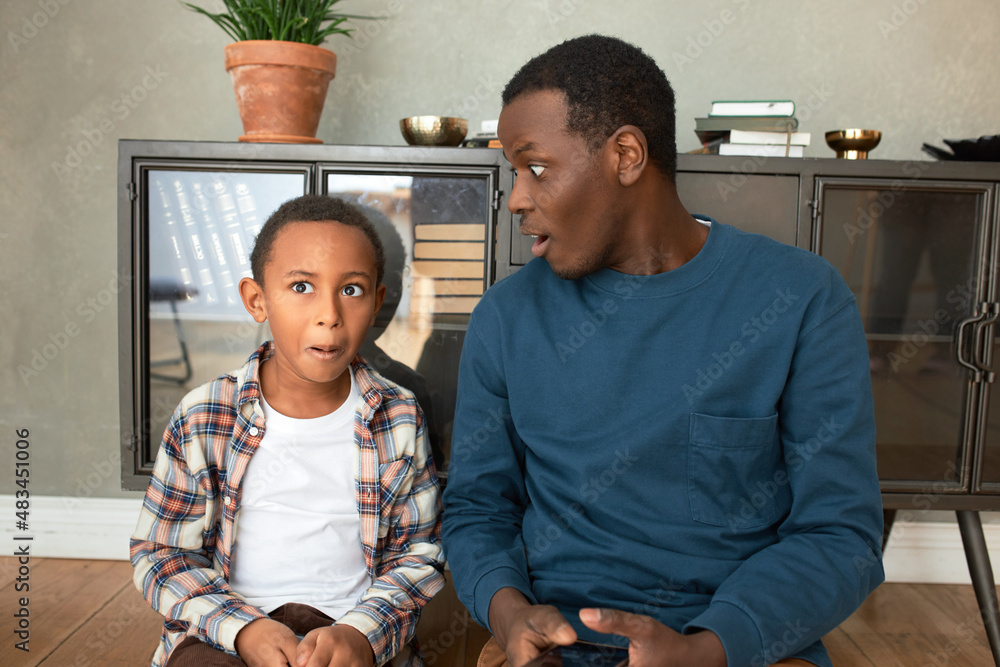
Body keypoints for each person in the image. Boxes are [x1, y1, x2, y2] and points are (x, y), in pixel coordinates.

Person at [441, 35, 883, 667]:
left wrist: (707, 648)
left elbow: (841, 534)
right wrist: (510, 612)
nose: (516, 197)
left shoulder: (802, 298)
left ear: (625, 155)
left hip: (735, 650)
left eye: (535, 167)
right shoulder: (505, 318)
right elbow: (478, 509)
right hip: (554, 646)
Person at [131, 195, 445, 667]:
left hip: (347, 631)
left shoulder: (398, 415)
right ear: (257, 300)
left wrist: (361, 635)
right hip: (228, 631)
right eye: (302, 287)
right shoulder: (203, 415)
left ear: (377, 302)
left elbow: (418, 554)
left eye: (352, 290)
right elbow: (161, 554)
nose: (329, 314)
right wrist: (242, 629)